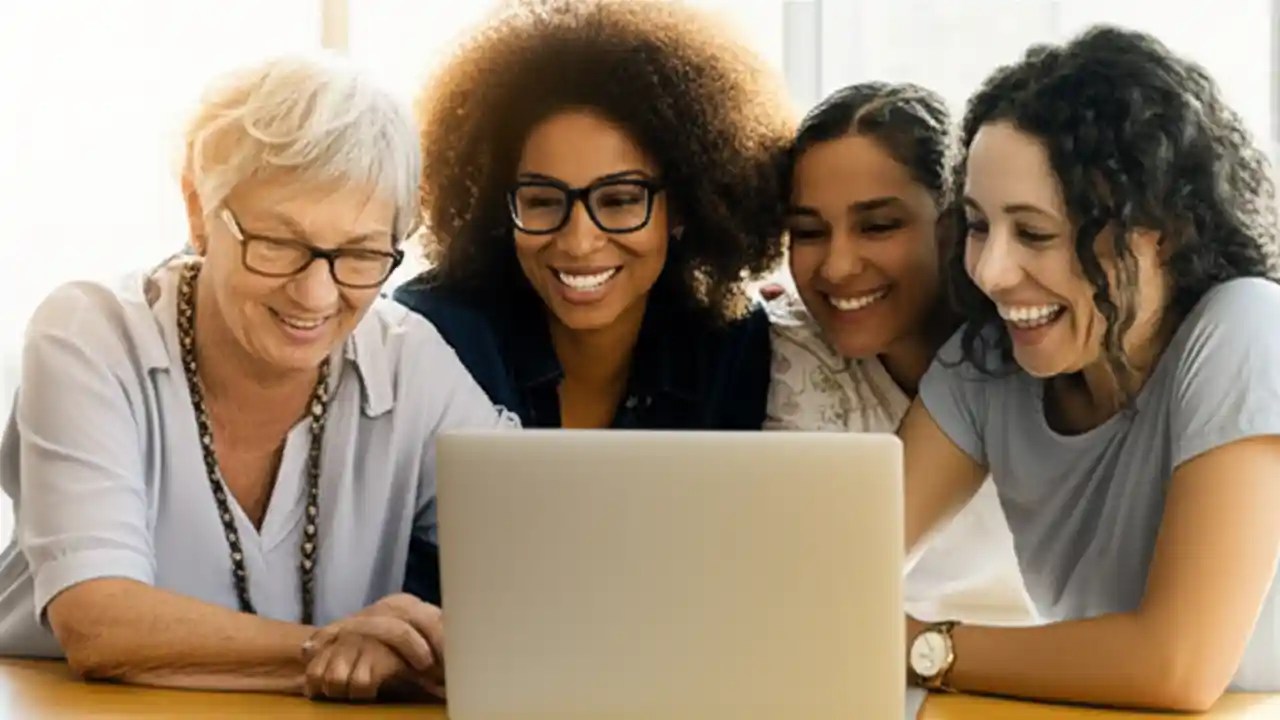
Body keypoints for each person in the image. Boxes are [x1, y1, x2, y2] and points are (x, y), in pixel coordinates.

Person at [0, 52, 516, 702]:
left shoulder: (409, 358)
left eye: (359, 254)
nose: (316, 294)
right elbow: (98, 621)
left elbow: (545, 550)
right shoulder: (89, 335)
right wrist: (338, 650)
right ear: (198, 209)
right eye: (278, 242)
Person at [901, 26, 1280, 711]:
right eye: (978, 225)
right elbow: (832, 570)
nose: (991, 272)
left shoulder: (1248, 327)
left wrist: (923, 643)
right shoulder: (987, 366)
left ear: (1160, 231)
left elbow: (1176, 666)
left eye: (1037, 233)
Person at [393, 0, 793, 604]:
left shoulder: (729, 341)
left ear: (682, 207)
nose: (579, 241)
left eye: (621, 199)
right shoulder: (436, 335)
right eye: (542, 199)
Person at [766, 81, 1034, 625]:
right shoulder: (782, 355)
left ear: (956, 225)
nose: (837, 267)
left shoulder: (1035, 349)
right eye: (808, 232)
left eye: (879, 226)